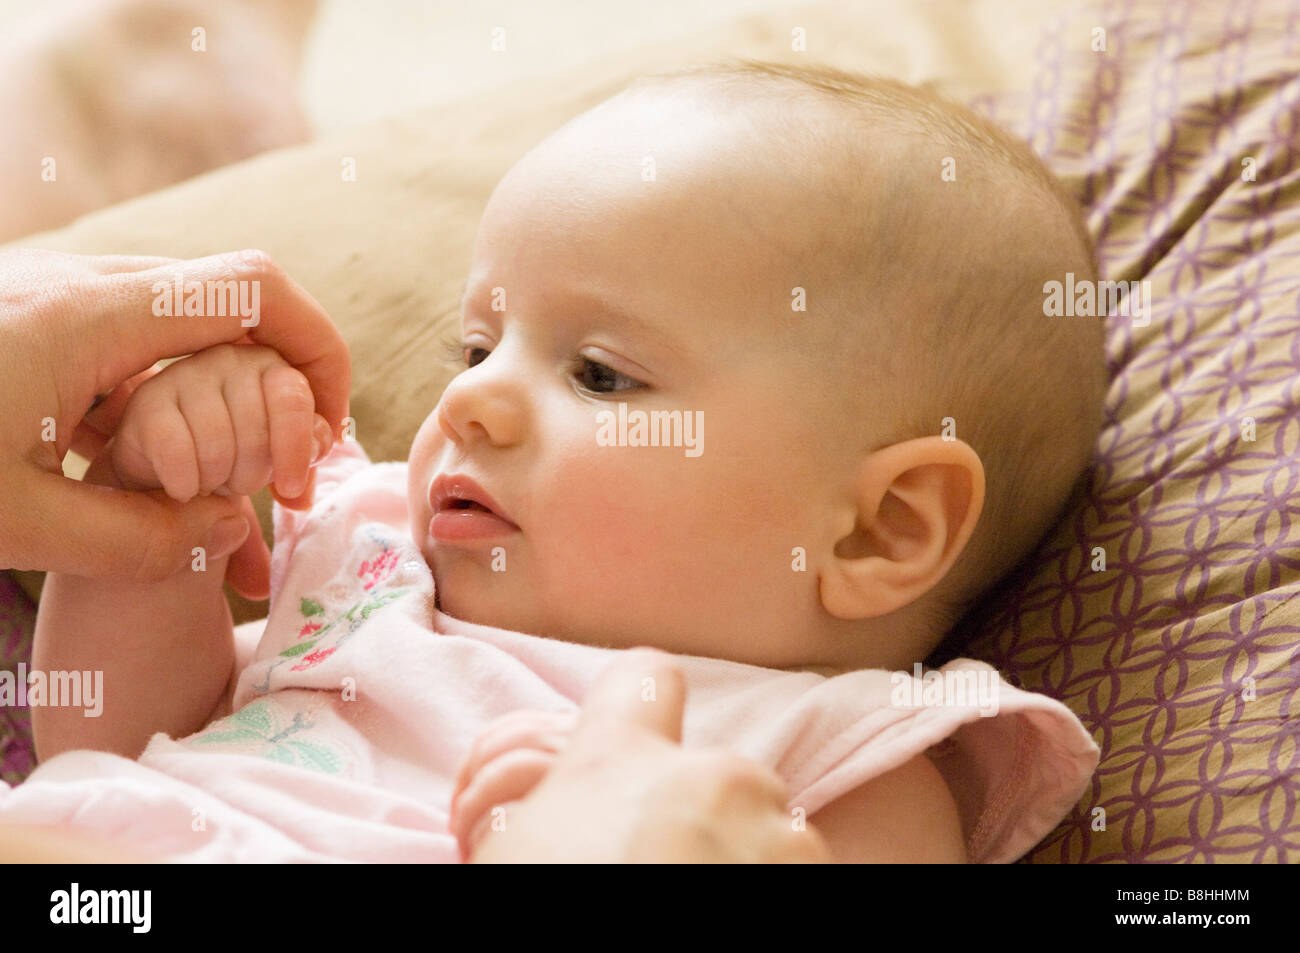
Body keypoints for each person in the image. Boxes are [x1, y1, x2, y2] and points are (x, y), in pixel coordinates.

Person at [7, 61, 1102, 863]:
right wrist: (156, 516)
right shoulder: (374, 562)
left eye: (600, 375)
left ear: (879, 529)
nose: (471, 396)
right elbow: (102, 742)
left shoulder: (837, 762)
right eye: (476, 346)